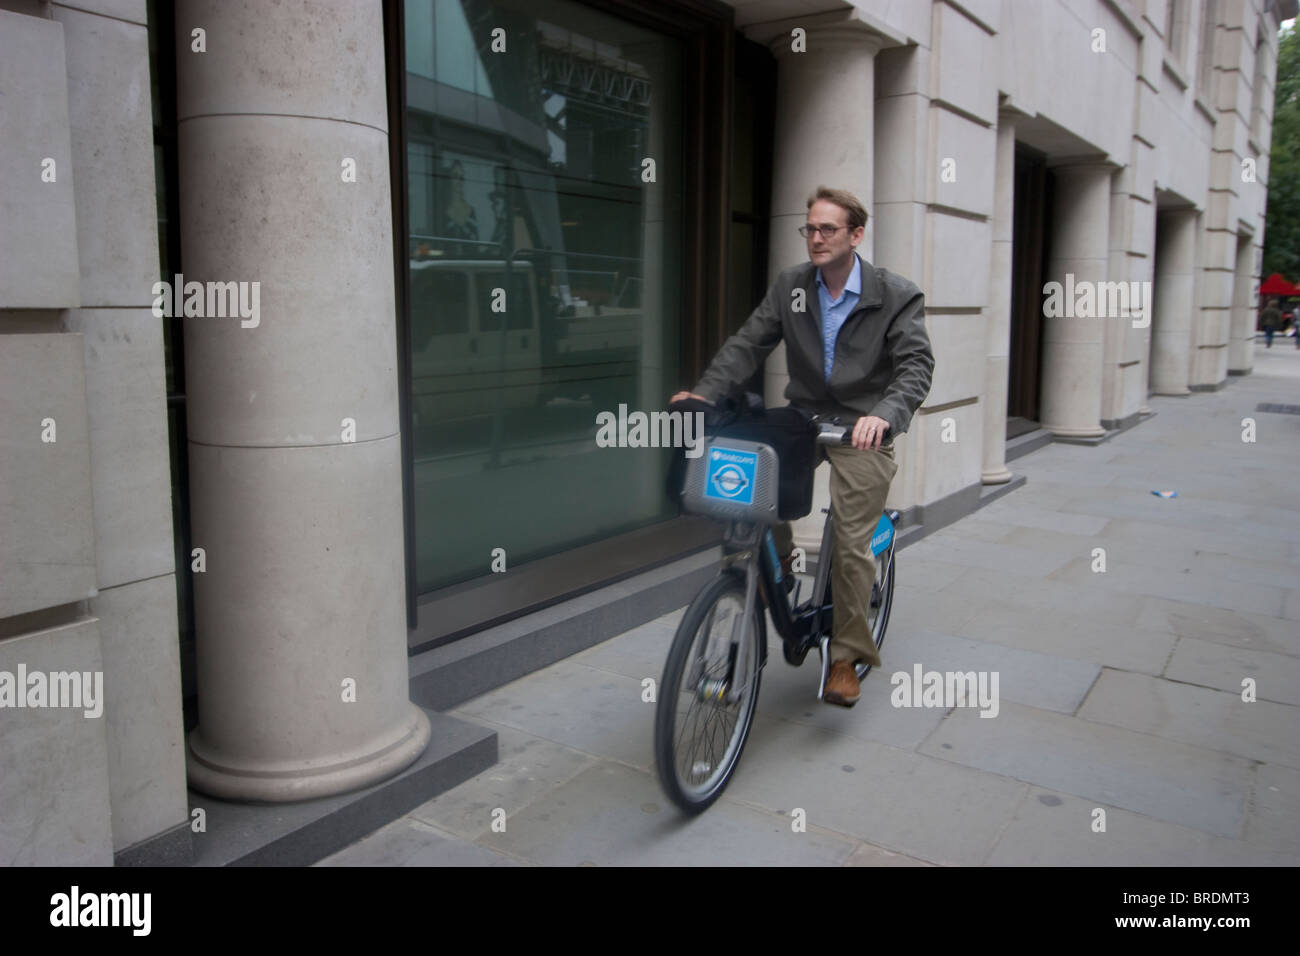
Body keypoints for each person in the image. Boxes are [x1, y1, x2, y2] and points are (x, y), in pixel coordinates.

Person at [670, 186, 934, 707]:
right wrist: (705, 393)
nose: (815, 238)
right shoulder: (794, 285)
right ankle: (780, 564)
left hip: (864, 424)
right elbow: (749, 342)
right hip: (805, 414)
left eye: (827, 229)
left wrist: (883, 416)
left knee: (853, 539)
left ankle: (845, 656)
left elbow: (916, 367)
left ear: (856, 235)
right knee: (748, 483)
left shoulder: (896, 294)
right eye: (809, 229)